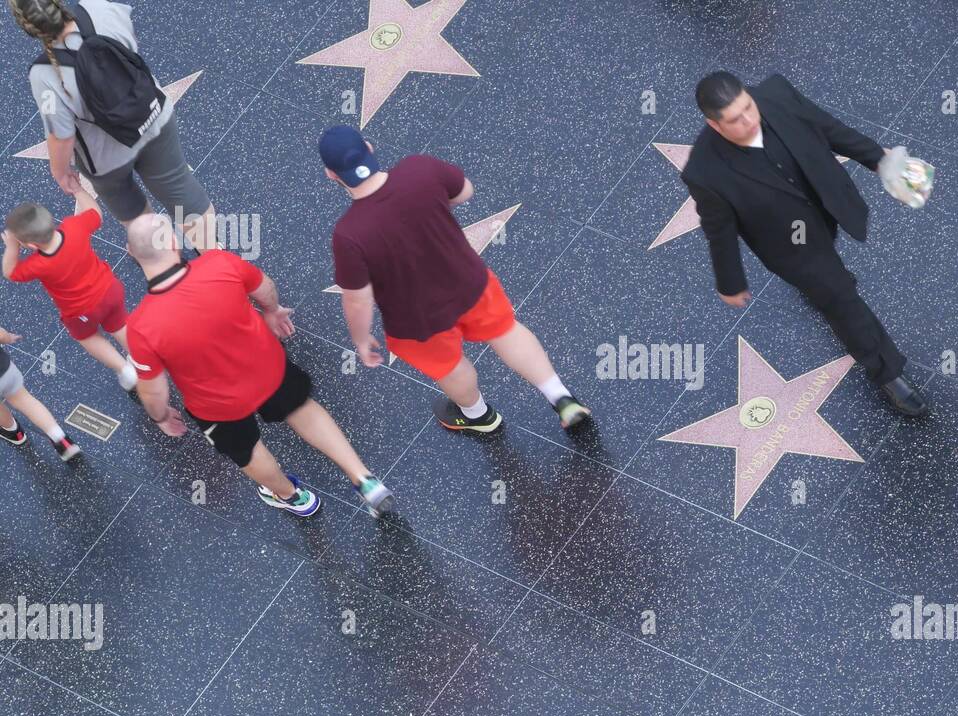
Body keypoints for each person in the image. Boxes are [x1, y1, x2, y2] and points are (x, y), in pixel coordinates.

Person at [683, 71, 929, 416]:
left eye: (749, 108)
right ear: (714, 125)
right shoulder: (704, 173)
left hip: (826, 203)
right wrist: (730, 282)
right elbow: (719, 229)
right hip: (792, 247)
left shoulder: (776, 95)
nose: (750, 120)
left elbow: (827, 128)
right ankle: (887, 372)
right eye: (736, 120)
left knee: (834, 273)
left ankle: (830, 284)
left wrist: (878, 159)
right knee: (842, 301)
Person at [317, 125, 590, 435]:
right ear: (369, 146)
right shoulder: (419, 169)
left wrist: (361, 338)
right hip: (470, 284)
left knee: (449, 366)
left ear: (331, 174)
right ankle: (561, 397)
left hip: (417, 322)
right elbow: (465, 191)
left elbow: (357, 298)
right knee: (506, 332)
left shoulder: (349, 235)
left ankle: (478, 416)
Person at [123, 213, 394, 518]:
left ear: (131, 253)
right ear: (173, 241)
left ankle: (293, 497)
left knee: (248, 450)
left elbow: (153, 390)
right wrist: (273, 311)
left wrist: (160, 417)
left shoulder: (141, 327)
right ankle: (364, 479)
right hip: (269, 368)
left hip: (218, 407)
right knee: (301, 408)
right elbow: (264, 287)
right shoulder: (219, 263)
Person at [10, 0, 218, 250]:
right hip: (153, 118)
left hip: (106, 158)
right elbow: (129, 44)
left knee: (130, 206)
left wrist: (61, 172)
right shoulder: (96, 9)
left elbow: (62, 135)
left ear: (30, 28)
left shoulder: (43, 74)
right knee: (180, 186)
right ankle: (213, 254)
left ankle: (162, 259)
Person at [3, 181, 138, 393]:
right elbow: (95, 212)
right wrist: (78, 190)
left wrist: (11, 246)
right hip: (110, 290)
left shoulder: (37, 264)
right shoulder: (73, 226)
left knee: (88, 337)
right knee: (119, 324)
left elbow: (10, 272)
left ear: (30, 245)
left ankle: (124, 368)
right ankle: (140, 357)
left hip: (82, 311)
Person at [0, 326, 81, 461]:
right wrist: (9, 338)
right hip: (4, 369)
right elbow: (2, 335)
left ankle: (14, 433)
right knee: (25, 400)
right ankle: (61, 439)